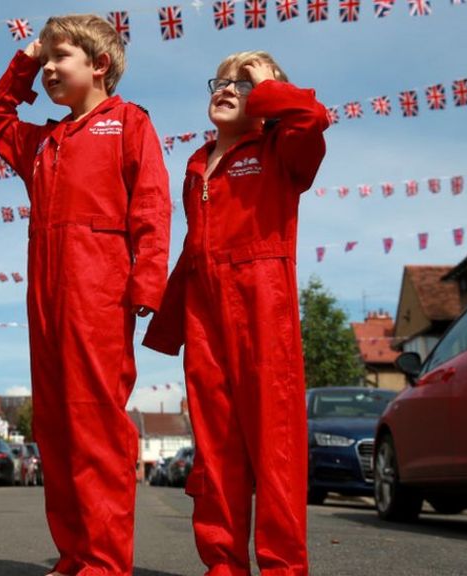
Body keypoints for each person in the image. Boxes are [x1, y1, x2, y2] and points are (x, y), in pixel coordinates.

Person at [0, 14, 171, 576]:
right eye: (47, 60)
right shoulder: (42, 140)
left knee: (94, 422)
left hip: (99, 287)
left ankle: (106, 561)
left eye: (61, 58)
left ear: (100, 64)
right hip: (45, 289)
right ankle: (76, 553)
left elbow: (153, 205)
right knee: (54, 426)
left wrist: (146, 281)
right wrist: (26, 60)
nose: (50, 69)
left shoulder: (129, 122)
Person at [143, 51, 329, 576]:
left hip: (262, 305)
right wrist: (167, 319)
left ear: (269, 98)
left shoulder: (282, 149)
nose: (227, 89)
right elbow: (194, 248)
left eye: (242, 84)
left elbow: (311, 118)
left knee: (275, 449)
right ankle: (222, 565)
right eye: (222, 81)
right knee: (216, 449)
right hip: (205, 313)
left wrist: (266, 86)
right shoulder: (196, 164)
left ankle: (282, 568)